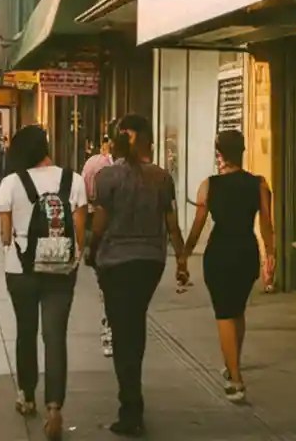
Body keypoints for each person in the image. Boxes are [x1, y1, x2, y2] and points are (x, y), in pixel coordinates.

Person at [90, 114, 190, 436]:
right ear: (151, 141)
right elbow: (172, 223)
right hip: (150, 261)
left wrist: (89, 250)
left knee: (123, 331)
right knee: (133, 322)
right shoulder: (162, 178)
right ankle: (131, 399)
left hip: (115, 262)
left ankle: (130, 406)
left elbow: (100, 222)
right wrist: (182, 259)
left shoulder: (107, 177)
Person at [0, 125, 88, 441]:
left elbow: (5, 236)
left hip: (21, 270)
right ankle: (54, 408)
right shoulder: (73, 180)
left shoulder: (10, 183)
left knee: (26, 332)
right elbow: (80, 232)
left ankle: (27, 396)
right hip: (61, 270)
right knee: (55, 336)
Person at [183, 130, 275, 403]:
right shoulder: (259, 184)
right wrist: (270, 255)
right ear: (243, 151)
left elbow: (198, 226)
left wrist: (183, 255)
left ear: (219, 153)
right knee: (236, 310)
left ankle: (236, 380)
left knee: (224, 313)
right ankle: (232, 363)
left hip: (219, 254)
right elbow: (267, 224)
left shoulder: (209, 185)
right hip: (246, 253)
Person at [82, 125, 117, 358]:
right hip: (102, 227)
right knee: (108, 281)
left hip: (116, 230)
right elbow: (87, 198)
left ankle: (112, 326)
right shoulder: (96, 165)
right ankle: (111, 326)